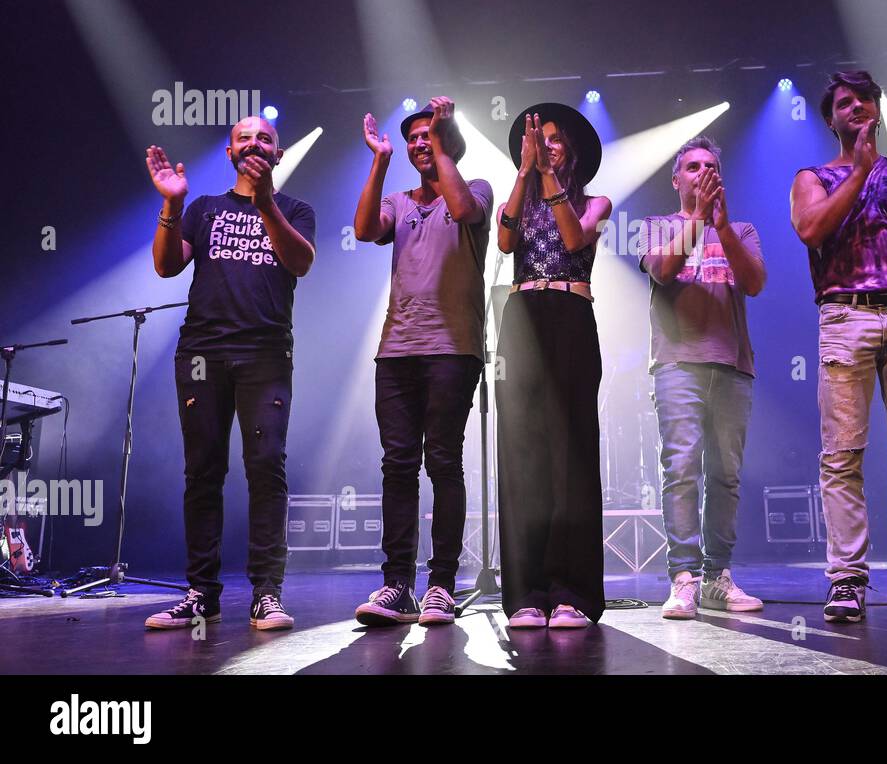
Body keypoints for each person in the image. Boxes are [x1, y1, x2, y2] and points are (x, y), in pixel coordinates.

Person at [144, 116, 315, 631]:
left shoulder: (294, 209)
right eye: (245, 138)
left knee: (266, 468)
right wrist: (172, 206)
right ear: (230, 152)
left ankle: (267, 593)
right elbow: (166, 266)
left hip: (264, 354)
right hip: (202, 353)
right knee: (203, 473)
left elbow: (301, 263)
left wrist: (264, 203)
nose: (255, 144)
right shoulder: (202, 208)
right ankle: (202, 593)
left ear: (279, 154)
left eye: (265, 139)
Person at [790, 71, 887, 622]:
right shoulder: (814, 175)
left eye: (865, 99)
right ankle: (848, 579)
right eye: (844, 102)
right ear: (831, 118)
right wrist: (858, 170)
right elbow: (810, 229)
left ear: (878, 108)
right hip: (845, 315)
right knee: (842, 456)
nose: (856, 106)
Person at [350, 98, 493, 627]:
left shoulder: (475, 188)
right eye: (412, 138)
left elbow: (460, 210)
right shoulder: (399, 200)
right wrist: (381, 160)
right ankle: (396, 584)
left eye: (428, 135)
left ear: (449, 142)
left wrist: (443, 139)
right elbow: (364, 229)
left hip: (454, 348)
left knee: (444, 464)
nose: (419, 143)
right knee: (397, 466)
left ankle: (441, 585)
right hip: (398, 350)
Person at [637, 137, 766, 619]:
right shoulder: (655, 227)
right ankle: (684, 577)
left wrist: (722, 226)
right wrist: (696, 219)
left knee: (725, 476)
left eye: (710, 166)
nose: (701, 173)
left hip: (733, 367)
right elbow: (665, 270)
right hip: (677, 367)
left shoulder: (743, 230)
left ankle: (717, 577)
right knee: (682, 471)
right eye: (691, 166)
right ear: (677, 180)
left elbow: (754, 283)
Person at [495, 103, 611, 629]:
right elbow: (503, 240)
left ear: (573, 149)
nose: (544, 144)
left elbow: (571, 239)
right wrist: (524, 172)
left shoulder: (595, 201)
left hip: (570, 313)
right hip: (522, 315)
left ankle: (573, 594)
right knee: (523, 455)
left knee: (572, 457)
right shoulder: (519, 190)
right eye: (535, 138)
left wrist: (546, 177)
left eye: (554, 138)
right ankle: (525, 593)